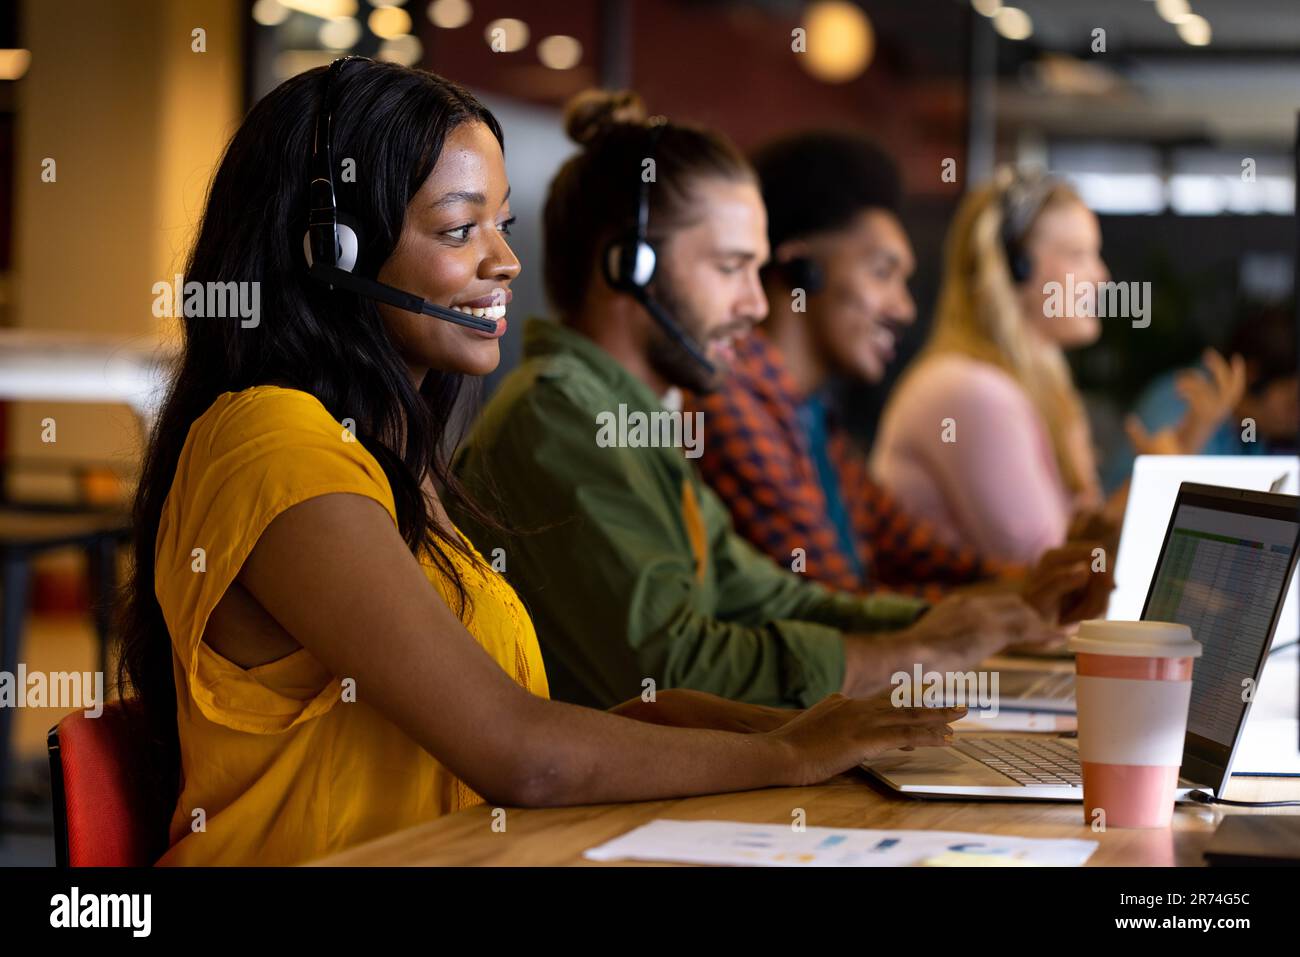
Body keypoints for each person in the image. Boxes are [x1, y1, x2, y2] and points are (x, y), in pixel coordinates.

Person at [120, 61, 965, 867]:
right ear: (331, 252)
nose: (505, 263)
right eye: (460, 228)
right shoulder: (274, 446)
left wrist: (782, 725)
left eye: (503, 225)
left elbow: (525, 729)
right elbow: (519, 753)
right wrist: (789, 753)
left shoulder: (393, 460)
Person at [452, 91, 1094, 712]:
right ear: (630, 265)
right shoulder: (561, 424)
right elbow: (674, 672)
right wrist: (918, 650)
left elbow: (777, 599)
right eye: (732, 269)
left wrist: (966, 619)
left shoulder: (634, 422)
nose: (757, 306)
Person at [684, 131, 1109, 605]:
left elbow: (905, 549)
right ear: (803, 273)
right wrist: (1013, 603)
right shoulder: (733, 402)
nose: (905, 309)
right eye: (882, 272)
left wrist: (1027, 593)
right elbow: (831, 600)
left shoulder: (811, 418)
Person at [871, 168, 1242, 565]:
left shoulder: (1038, 388)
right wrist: (1156, 484)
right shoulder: (971, 391)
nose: (1102, 277)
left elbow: (1079, 540)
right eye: (1078, 254)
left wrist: (1183, 446)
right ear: (1018, 268)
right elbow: (1050, 573)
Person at [1102, 304, 1295, 491]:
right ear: (1253, 376)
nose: (1296, 419)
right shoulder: (1183, 399)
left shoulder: (1250, 427)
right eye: (1293, 403)